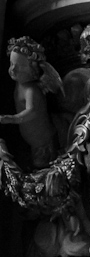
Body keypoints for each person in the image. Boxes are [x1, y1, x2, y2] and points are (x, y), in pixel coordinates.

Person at [0, 36, 61, 167]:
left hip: (43, 141)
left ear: (33, 69)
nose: (13, 69)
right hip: (33, 141)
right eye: (11, 64)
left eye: (19, 66)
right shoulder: (19, 85)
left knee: (44, 167)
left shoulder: (31, 90)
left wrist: (12, 119)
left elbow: (31, 111)